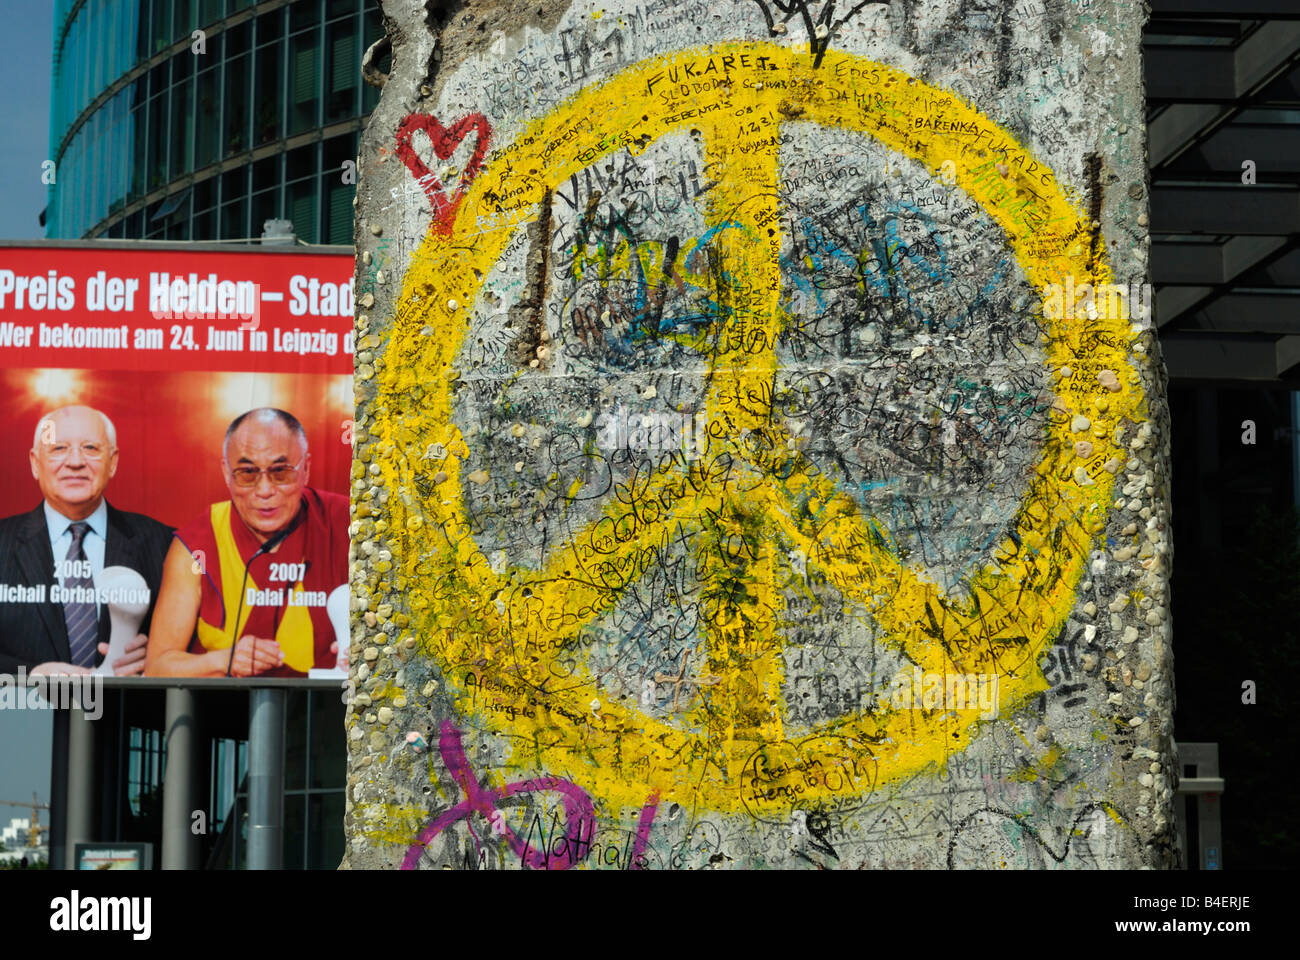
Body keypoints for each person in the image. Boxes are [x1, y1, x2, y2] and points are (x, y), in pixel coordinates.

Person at [144, 408, 348, 677]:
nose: (264, 490)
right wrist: (222, 662)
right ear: (227, 474)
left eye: (281, 472)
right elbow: (158, 667)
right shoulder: (199, 545)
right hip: (225, 713)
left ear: (306, 469)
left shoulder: (346, 524)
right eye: (247, 473)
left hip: (327, 712)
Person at [0, 406, 173, 676]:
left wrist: (158, 657)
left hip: (127, 714)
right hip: (25, 713)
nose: (75, 461)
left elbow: (189, 651)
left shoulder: (165, 545)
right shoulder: (3, 544)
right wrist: (30, 674)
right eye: (58, 449)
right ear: (35, 463)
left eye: (91, 448)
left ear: (113, 461)